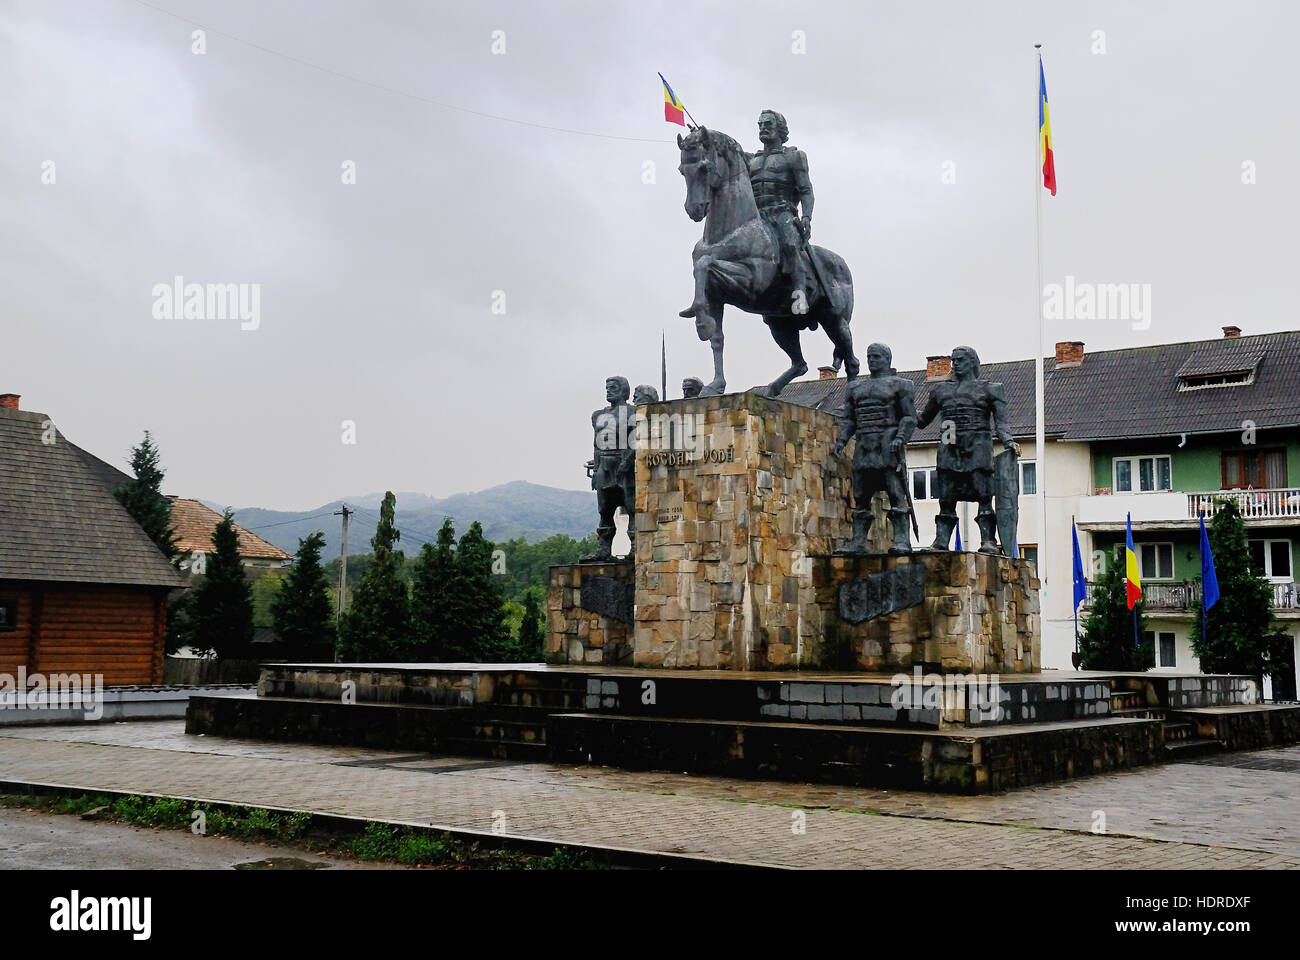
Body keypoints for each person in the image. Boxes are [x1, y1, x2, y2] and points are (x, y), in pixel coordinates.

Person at [914, 346, 1019, 553]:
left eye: (960, 360)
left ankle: (988, 540)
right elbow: (923, 421)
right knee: (946, 497)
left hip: (978, 444)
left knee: (984, 495)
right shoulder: (940, 390)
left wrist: (1009, 441)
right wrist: (903, 405)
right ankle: (941, 541)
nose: (955, 364)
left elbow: (1001, 423)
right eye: (953, 360)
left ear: (972, 362)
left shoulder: (991, 389)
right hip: (949, 442)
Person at [832, 343, 916, 554]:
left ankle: (901, 539)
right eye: (869, 356)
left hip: (888, 444)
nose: (872, 360)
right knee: (861, 495)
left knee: (896, 492)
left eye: (876, 356)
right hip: (864, 446)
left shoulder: (901, 385)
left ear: (888, 359)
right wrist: (841, 441)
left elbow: (909, 416)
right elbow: (849, 419)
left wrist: (901, 437)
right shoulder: (854, 388)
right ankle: (858, 541)